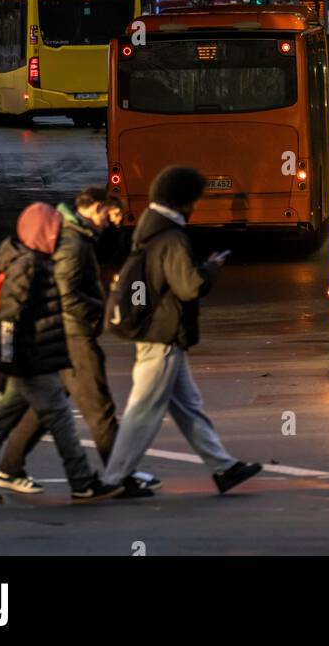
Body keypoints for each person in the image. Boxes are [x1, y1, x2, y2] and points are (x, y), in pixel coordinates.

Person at [103, 166, 263, 496]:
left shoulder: (149, 230)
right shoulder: (172, 238)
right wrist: (210, 268)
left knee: (188, 407)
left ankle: (225, 468)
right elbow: (190, 287)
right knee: (142, 411)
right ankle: (114, 479)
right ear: (184, 200)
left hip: (160, 334)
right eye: (195, 199)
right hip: (162, 336)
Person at [0, 202, 121, 504]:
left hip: (29, 359)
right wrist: (2, 366)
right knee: (62, 422)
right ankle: (82, 483)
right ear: (43, 230)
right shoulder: (28, 265)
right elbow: (9, 318)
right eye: (55, 227)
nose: (59, 232)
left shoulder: (36, 260)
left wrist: (5, 365)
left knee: (3, 420)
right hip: (31, 360)